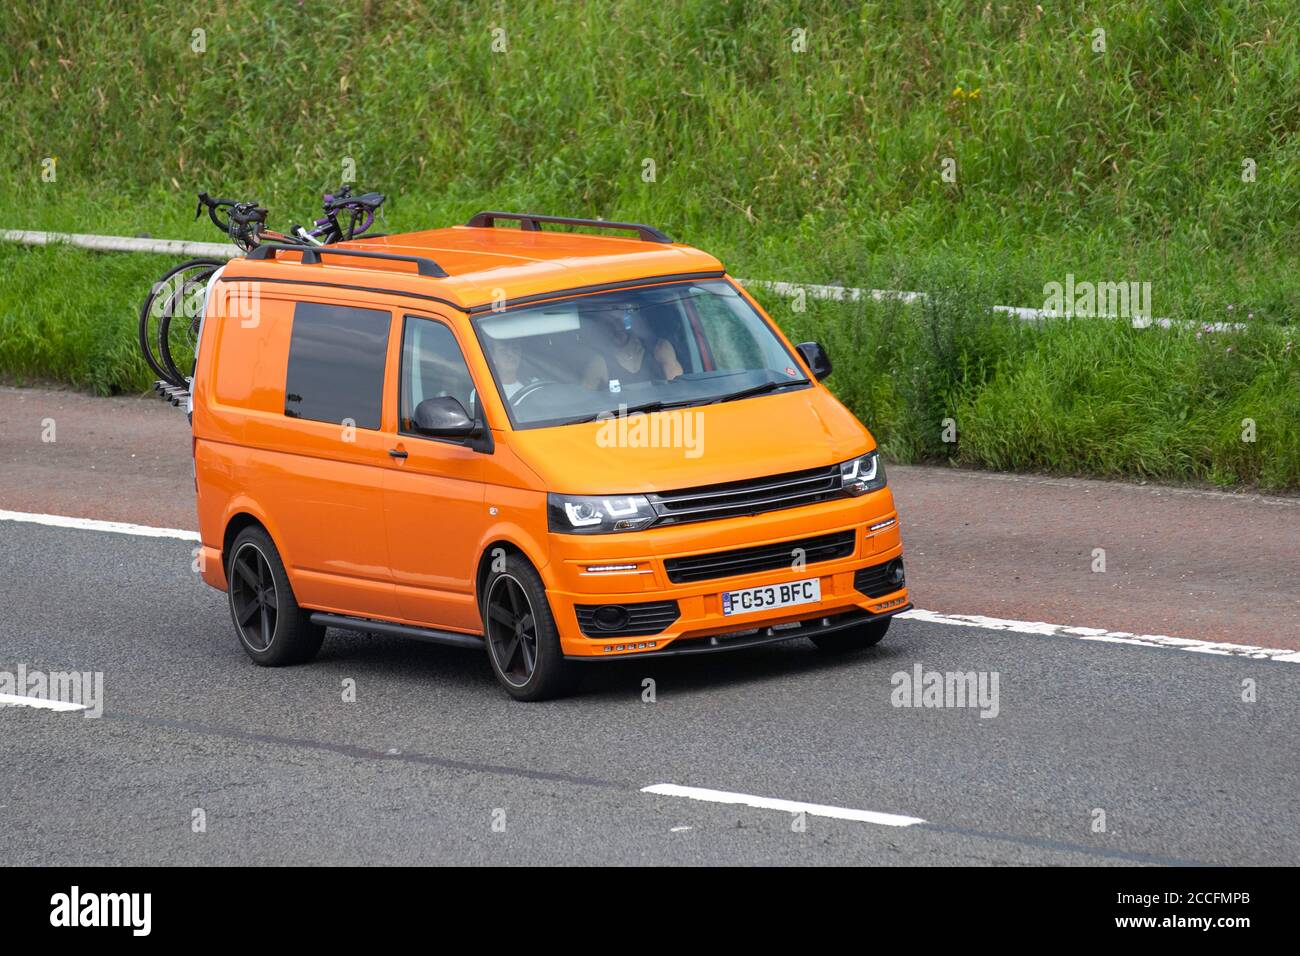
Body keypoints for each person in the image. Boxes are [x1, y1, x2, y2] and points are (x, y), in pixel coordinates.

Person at [582, 309, 683, 391]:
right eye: (609, 324)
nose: (616, 328)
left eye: (619, 321)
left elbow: (680, 389)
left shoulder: (660, 349)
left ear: (633, 322)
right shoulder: (599, 363)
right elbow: (587, 404)